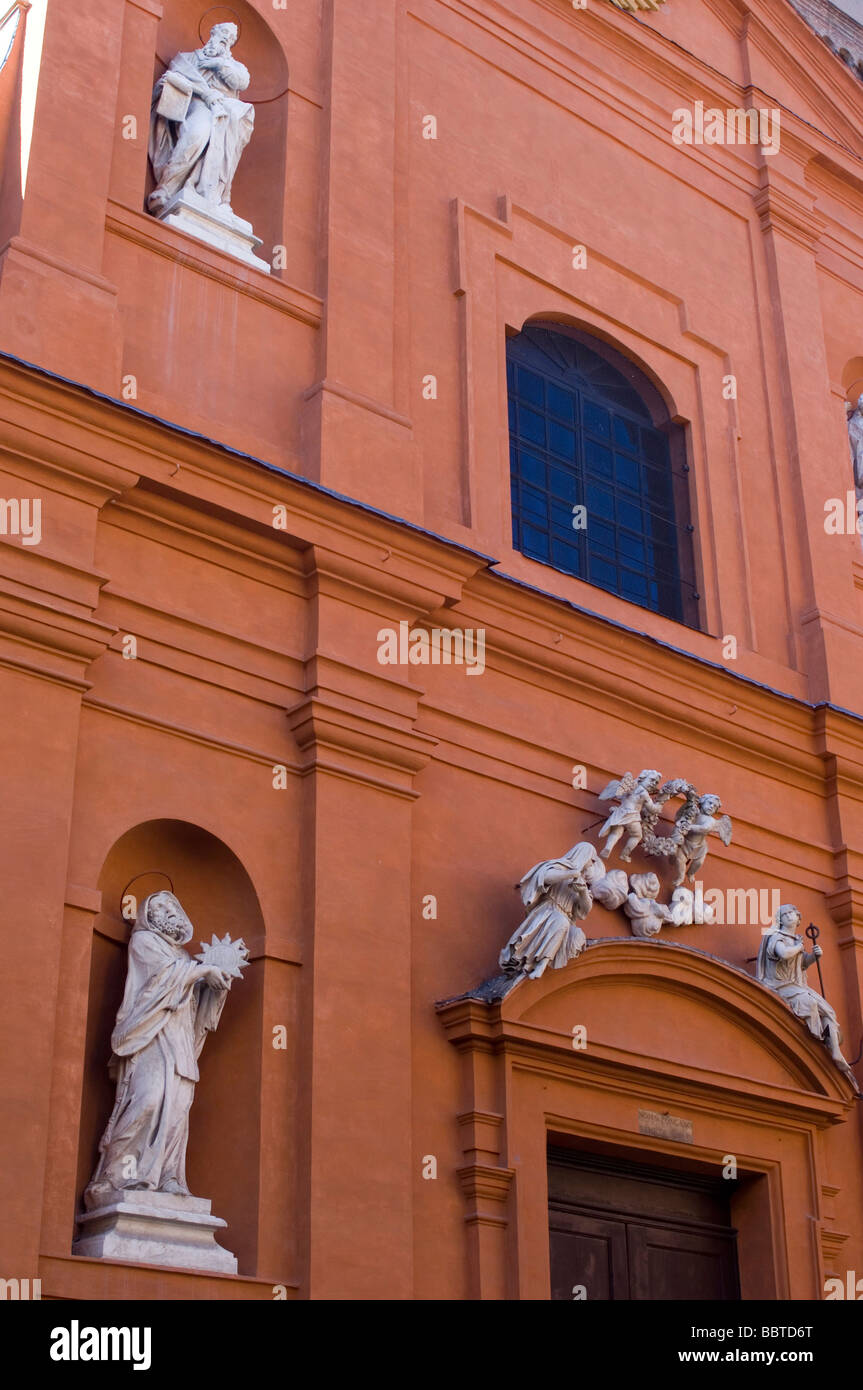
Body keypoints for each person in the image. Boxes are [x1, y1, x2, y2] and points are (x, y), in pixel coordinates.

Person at [84, 891, 231, 1205]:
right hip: (149, 1037)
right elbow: (159, 982)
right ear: (148, 916)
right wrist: (202, 972)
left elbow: (195, 1006)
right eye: (161, 908)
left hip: (179, 1043)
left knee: (177, 1109)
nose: (169, 912)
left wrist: (213, 988)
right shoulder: (144, 943)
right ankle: (119, 1179)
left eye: (172, 907)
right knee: (148, 1101)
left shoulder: (186, 960)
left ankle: (168, 1178)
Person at [148, 22, 254, 218]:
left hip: (226, 109)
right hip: (196, 104)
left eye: (230, 38)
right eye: (223, 33)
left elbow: (241, 81)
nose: (225, 39)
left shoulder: (235, 66)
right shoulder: (189, 59)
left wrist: (219, 65)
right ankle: (166, 188)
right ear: (212, 33)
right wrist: (206, 94)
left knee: (224, 136)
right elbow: (176, 76)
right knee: (198, 133)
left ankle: (216, 194)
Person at [757, 904, 858, 1089]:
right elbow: (784, 954)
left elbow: (801, 964)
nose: (788, 916)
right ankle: (820, 1039)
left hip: (798, 986)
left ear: (798, 918)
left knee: (828, 1010)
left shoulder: (796, 940)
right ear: (779, 919)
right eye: (784, 914)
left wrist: (813, 957)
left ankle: (835, 1050)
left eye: (792, 913)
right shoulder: (776, 937)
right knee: (810, 1003)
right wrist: (798, 947)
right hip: (781, 986)